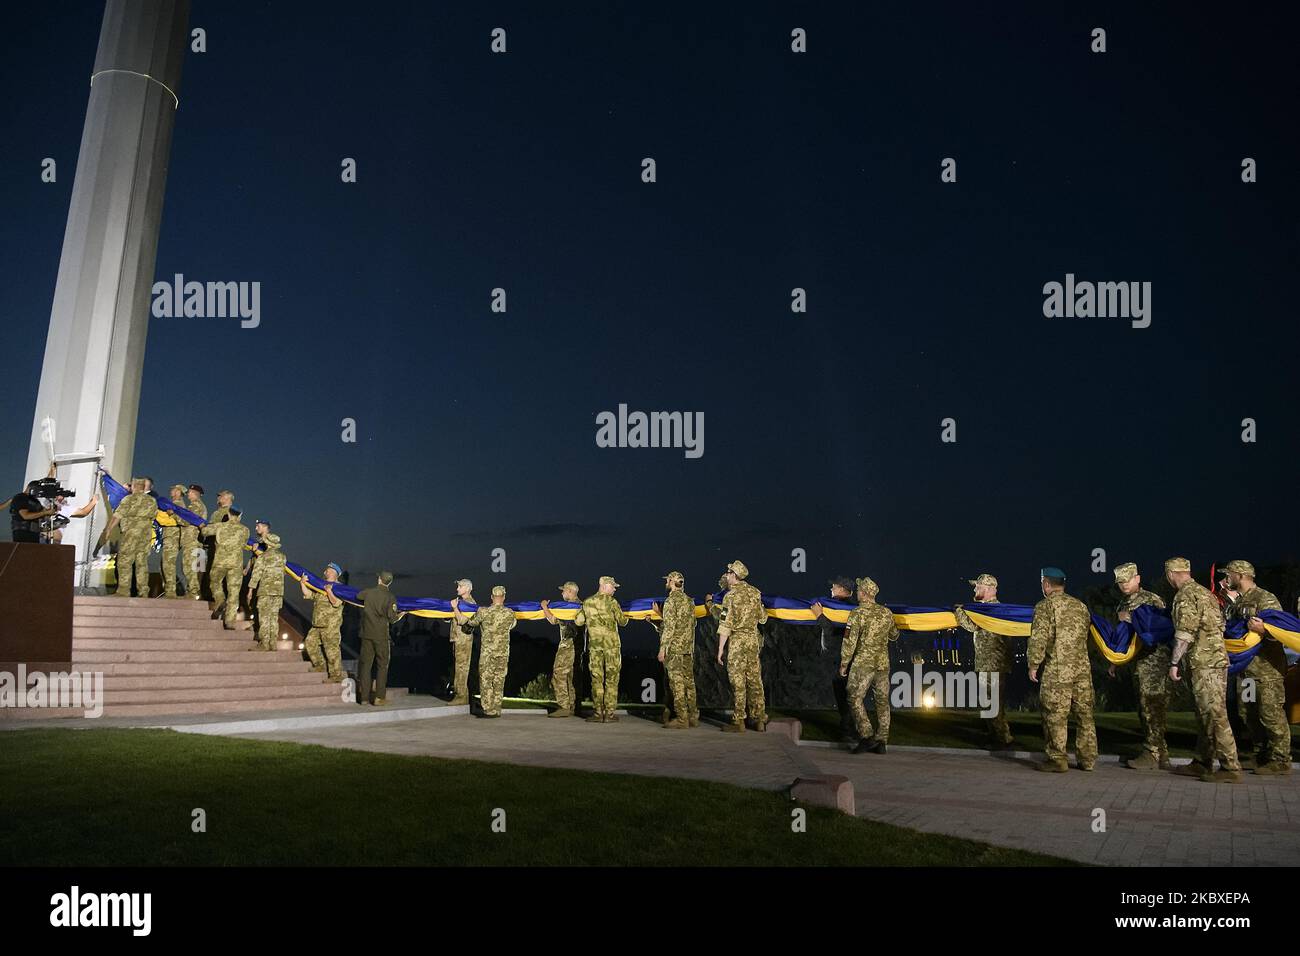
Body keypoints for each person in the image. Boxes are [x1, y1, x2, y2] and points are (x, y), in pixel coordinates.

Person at [1165, 557, 1242, 783]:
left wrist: (1174, 663)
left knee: (1214, 714)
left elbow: (1184, 633)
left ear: (1170, 574)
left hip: (1204, 663)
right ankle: (1202, 761)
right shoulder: (1206, 594)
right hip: (1215, 661)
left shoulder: (1185, 596)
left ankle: (1230, 767)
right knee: (1205, 713)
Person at [1027, 566, 1097, 772]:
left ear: (1046, 584)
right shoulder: (1081, 606)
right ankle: (1088, 759)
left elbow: (1039, 638)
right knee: (1085, 714)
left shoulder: (1044, 606)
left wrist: (1033, 664)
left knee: (1055, 713)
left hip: (1058, 670)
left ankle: (1057, 758)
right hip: (1082, 670)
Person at [1223, 560, 1291, 775]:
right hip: (1247, 672)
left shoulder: (1265, 598)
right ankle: (1261, 754)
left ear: (1241, 575)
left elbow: (1280, 628)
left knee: (1270, 713)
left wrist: (1264, 629)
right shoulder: (1237, 602)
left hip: (1267, 670)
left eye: (1230, 574)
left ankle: (1280, 759)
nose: (1227, 578)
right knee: (1249, 712)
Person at [823, 576, 898, 754]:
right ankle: (882, 740)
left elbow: (849, 642)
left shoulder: (857, 614)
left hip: (863, 663)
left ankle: (867, 735)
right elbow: (894, 635)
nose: (857, 593)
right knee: (882, 701)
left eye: (859, 590)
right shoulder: (886, 613)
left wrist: (844, 664)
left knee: (854, 697)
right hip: (882, 664)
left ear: (864, 593)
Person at [1109, 562, 1171, 770]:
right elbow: (1123, 636)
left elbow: (1159, 629)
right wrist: (1115, 662)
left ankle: (1152, 752)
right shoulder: (1123, 604)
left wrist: (1132, 619)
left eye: (1128, 580)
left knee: (1151, 705)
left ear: (1138, 578)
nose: (1124, 585)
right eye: (1120, 582)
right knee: (1146, 705)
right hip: (1139, 661)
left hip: (1155, 660)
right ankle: (1160, 753)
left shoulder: (1150, 600)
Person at [953, 572, 1015, 749]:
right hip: (990, 662)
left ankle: (1002, 738)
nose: (975, 589)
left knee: (991, 700)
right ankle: (996, 734)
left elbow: (971, 626)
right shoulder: (993, 609)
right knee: (990, 700)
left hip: (992, 663)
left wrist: (958, 611)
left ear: (989, 589)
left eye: (978, 586)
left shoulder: (991, 609)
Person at [715, 560, 768, 733]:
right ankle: (759, 719)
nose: (727, 576)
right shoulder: (755, 593)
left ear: (734, 575)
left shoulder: (729, 597)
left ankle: (739, 720)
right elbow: (763, 618)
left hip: (737, 641)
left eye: (729, 573)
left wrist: (720, 650)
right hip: (753, 640)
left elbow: (725, 625)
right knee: (754, 679)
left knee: (738, 680)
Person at [455, 585, 516, 717]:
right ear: (504, 597)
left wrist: (456, 609)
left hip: (487, 653)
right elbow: (512, 625)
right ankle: (497, 707)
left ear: (492, 597)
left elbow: (470, 623)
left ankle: (489, 709)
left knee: (486, 679)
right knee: (499, 680)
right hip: (503, 653)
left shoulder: (483, 612)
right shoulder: (510, 613)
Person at [812, 576, 859, 744]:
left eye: (834, 586)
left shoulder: (843, 609)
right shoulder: (845, 607)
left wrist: (819, 616)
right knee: (847, 696)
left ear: (841, 589)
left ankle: (849, 732)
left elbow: (831, 631)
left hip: (843, 660)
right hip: (842, 659)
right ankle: (851, 730)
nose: (831, 588)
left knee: (845, 697)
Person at [575, 576, 629, 723]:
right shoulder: (612, 602)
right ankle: (610, 714)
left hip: (595, 647)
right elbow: (622, 622)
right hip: (611, 647)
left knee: (597, 680)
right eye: (613, 586)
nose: (615, 589)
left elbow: (579, 621)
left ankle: (598, 713)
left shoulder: (587, 602)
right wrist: (627, 617)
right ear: (604, 586)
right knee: (612, 680)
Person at [649, 571, 698, 728]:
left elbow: (670, 627)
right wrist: (658, 617)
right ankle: (693, 716)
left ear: (671, 582)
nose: (666, 582)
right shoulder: (690, 601)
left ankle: (682, 719)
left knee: (676, 683)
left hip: (675, 648)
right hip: (688, 648)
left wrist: (662, 649)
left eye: (668, 580)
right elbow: (690, 624)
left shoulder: (670, 601)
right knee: (689, 682)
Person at [102, 477, 158, 597]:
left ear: (134, 487)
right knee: (141, 563)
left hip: (131, 533)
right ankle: (143, 591)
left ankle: (123, 590)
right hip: (146, 534)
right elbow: (153, 516)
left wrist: (108, 530)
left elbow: (118, 515)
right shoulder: (152, 501)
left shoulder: (129, 499)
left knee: (124, 561)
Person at [355, 570, 403, 706]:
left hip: (366, 635)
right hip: (381, 637)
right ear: (390, 582)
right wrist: (401, 614)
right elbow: (392, 619)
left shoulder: (369, 592)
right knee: (382, 666)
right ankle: (379, 697)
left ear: (379, 580)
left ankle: (364, 698)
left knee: (365, 666)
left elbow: (358, 595)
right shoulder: (390, 597)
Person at [541, 581, 582, 718]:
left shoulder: (569, 608)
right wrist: (546, 608)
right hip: (579, 647)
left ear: (570, 591)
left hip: (568, 645)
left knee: (559, 674)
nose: (562, 593)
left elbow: (553, 620)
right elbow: (554, 619)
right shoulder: (581, 606)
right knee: (570, 677)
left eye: (564, 590)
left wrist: (544, 607)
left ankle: (564, 706)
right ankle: (572, 706)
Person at [200, 509, 247, 628]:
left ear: (229, 514)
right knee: (234, 592)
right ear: (240, 516)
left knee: (215, 582)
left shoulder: (219, 526)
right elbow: (244, 543)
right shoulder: (245, 530)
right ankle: (230, 621)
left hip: (220, 562)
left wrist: (202, 526)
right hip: (236, 565)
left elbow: (205, 532)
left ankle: (220, 600)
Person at [303, 562, 346, 681]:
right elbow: (310, 595)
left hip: (330, 626)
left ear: (334, 572)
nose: (325, 572)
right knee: (309, 643)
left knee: (331, 651)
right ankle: (319, 665)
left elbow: (336, 603)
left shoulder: (340, 588)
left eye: (327, 570)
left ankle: (336, 675)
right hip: (317, 624)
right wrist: (303, 584)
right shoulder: (321, 586)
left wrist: (329, 591)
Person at [245, 532, 285, 651]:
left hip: (265, 591)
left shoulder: (263, 557)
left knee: (264, 617)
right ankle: (273, 643)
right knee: (273, 618)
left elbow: (256, 574)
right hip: (278, 592)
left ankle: (264, 644)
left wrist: (250, 590)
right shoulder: (283, 557)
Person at [447, 578, 478, 705]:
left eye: (460, 586)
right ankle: (459, 694)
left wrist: (454, 608)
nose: (457, 589)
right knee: (458, 667)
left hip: (463, 639)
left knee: (462, 668)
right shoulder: (461, 602)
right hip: (458, 639)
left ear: (467, 588)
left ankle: (461, 696)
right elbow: (455, 619)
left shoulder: (469, 603)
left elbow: (462, 621)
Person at [158, 484, 189, 597]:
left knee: (168, 564)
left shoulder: (178, 505)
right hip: (169, 537)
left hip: (173, 538)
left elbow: (185, 521)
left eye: (174, 490)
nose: (171, 491)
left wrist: (173, 514)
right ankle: (169, 590)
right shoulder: (174, 504)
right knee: (164, 564)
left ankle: (171, 592)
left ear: (178, 492)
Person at [181, 485, 207, 599]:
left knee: (189, 566)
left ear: (195, 493)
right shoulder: (199, 505)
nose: (188, 494)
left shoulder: (196, 505)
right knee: (190, 567)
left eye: (190, 492)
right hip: (193, 540)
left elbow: (188, 519)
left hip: (192, 539)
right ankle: (192, 590)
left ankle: (194, 591)